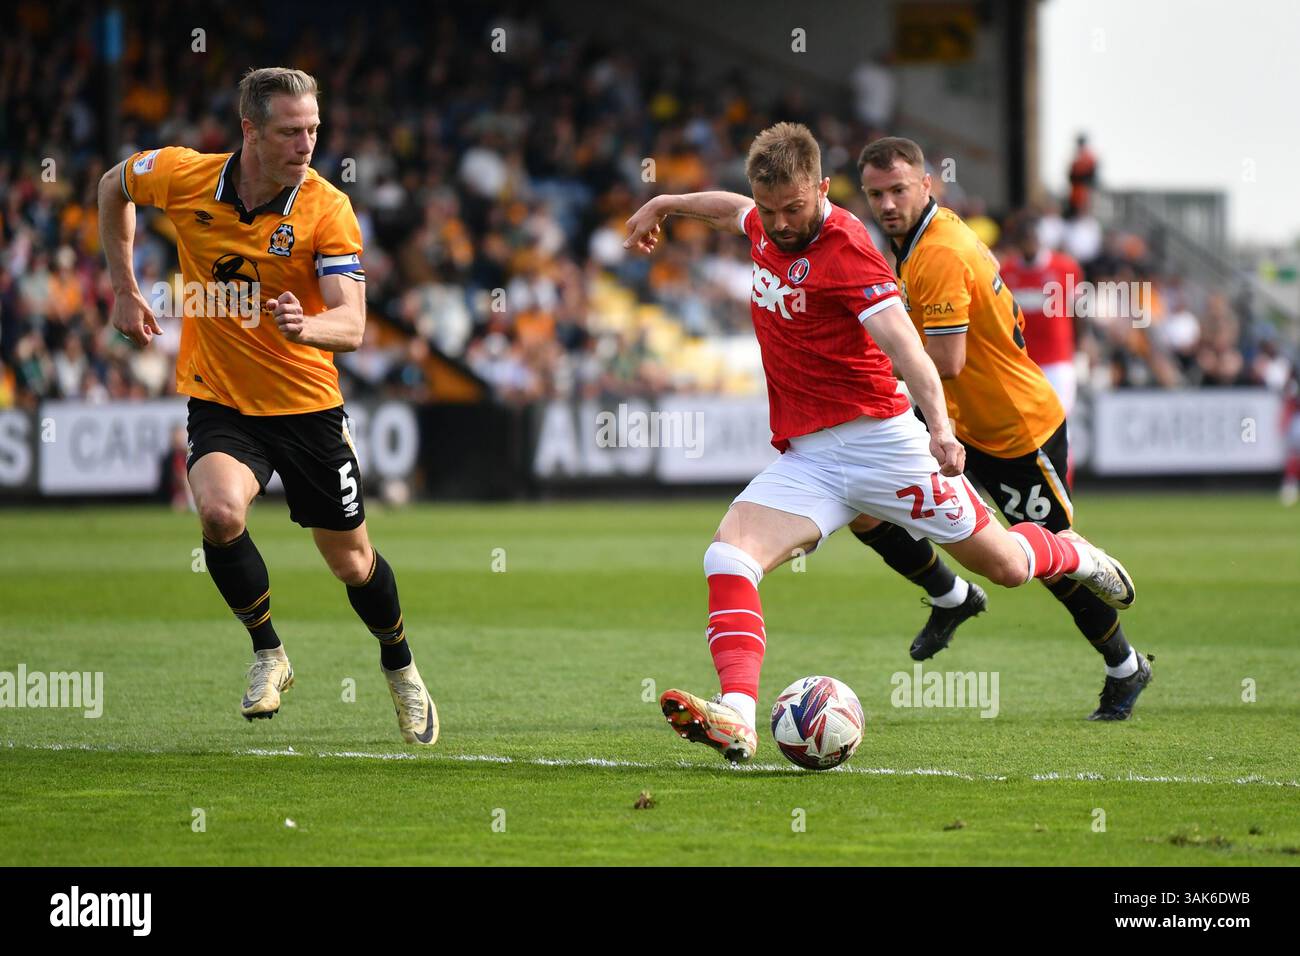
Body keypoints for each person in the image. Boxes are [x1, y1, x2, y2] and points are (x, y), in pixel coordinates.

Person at [623, 123, 1139, 762]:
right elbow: (733, 211)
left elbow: (912, 353)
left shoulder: (849, 251)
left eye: (793, 209)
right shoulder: (762, 219)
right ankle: (737, 714)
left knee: (1006, 566)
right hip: (809, 458)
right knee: (728, 557)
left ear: (820, 187)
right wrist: (666, 205)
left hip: (884, 446)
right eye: (770, 209)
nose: (781, 224)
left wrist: (942, 432)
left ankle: (1070, 553)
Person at [97, 67, 437, 743]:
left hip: (308, 408)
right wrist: (124, 287)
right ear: (250, 130)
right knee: (220, 514)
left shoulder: (326, 208)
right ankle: (268, 651)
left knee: (352, 564)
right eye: (290, 131)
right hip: (222, 400)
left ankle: (399, 664)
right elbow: (113, 186)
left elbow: (354, 323)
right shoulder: (184, 176)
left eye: (313, 128)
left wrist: (307, 328)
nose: (306, 143)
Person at [852, 136, 1152, 720]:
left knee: (1049, 564)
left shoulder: (936, 253)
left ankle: (1125, 665)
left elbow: (947, 361)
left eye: (897, 190)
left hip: (1014, 430)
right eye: (875, 194)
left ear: (926, 186)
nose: (886, 204)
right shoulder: (924, 239)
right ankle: (951, 594)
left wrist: (873, 375)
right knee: (863, 498)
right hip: (957, 422)